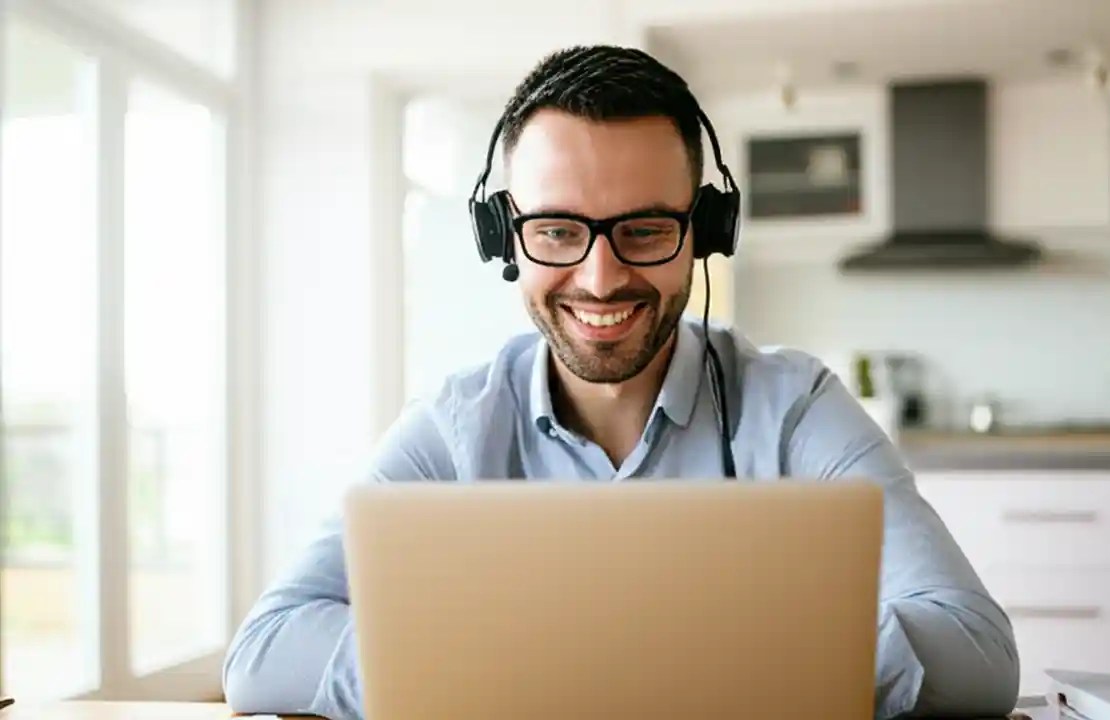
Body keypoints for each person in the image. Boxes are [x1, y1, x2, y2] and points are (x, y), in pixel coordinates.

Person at [223, 45, 1019, 720]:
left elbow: (980, 656)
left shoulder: (794, 408)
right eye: (558, 231)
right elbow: (264, 650)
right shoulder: (453, 426)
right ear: (505, 236)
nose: (600, 279)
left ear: (703, 233)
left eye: (643, 230)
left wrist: (583, 657)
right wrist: (712, 656)